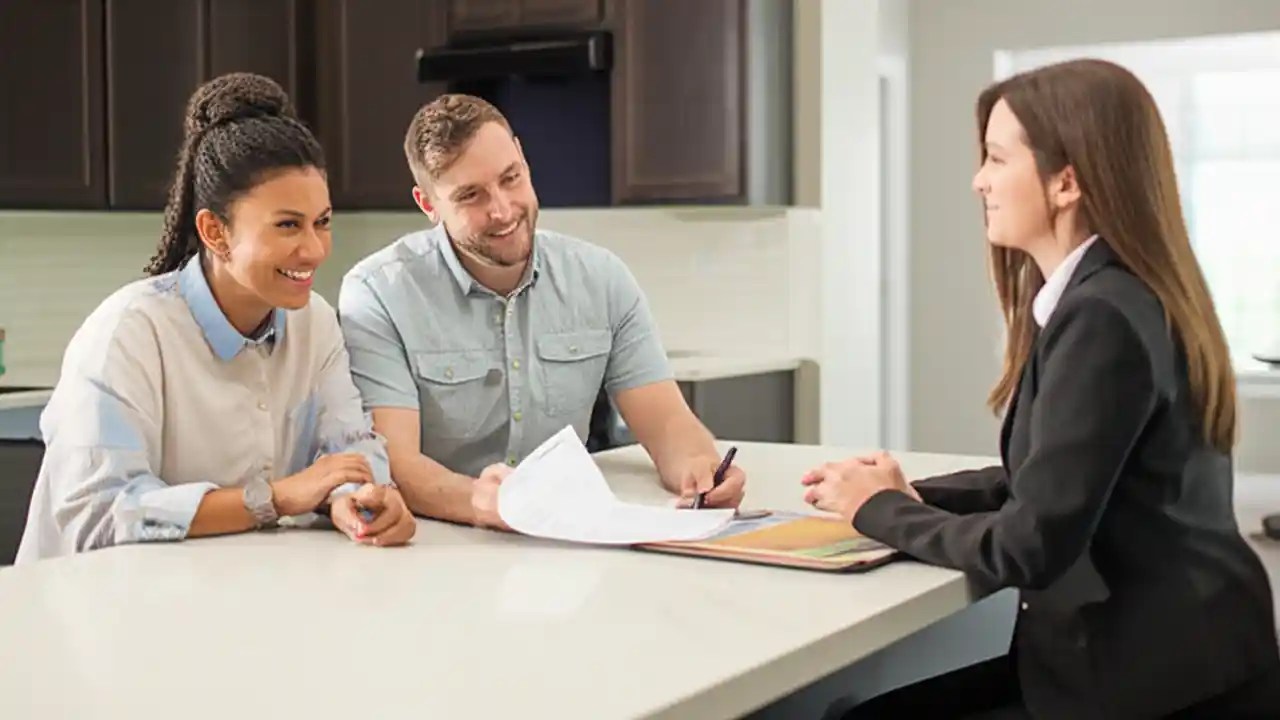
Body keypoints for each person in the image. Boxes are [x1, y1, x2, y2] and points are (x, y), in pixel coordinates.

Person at [803, 59, 1280, 719]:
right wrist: (907, 492)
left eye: (997, 159)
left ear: (1066, 182)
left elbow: (1028, 546)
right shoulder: (1114, 293)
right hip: (1180, 661)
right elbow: (1055, 482)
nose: (979, 182)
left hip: (1152, 688)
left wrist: (879, 512)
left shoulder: (1102, 315)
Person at [17, 73, 416, 563]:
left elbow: (348, 449)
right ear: (214, 231)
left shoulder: (317, 322)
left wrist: (362, 498)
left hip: (228, 603)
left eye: (323, 222)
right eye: (288, 224)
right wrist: (274, 497)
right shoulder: (127, 333)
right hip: (90, 615)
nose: (314, 249)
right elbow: (99, 515)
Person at [337, 94, 746, 531]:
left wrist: (703, 468)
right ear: (428, 205)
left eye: (511, 178)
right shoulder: (377, 294)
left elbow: (667, 424)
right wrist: (490, 504)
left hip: (572, 538)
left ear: (524, 161)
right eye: (470, 196)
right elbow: (397, 462)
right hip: (439, 544)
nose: (502, 209)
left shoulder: (602, 279)